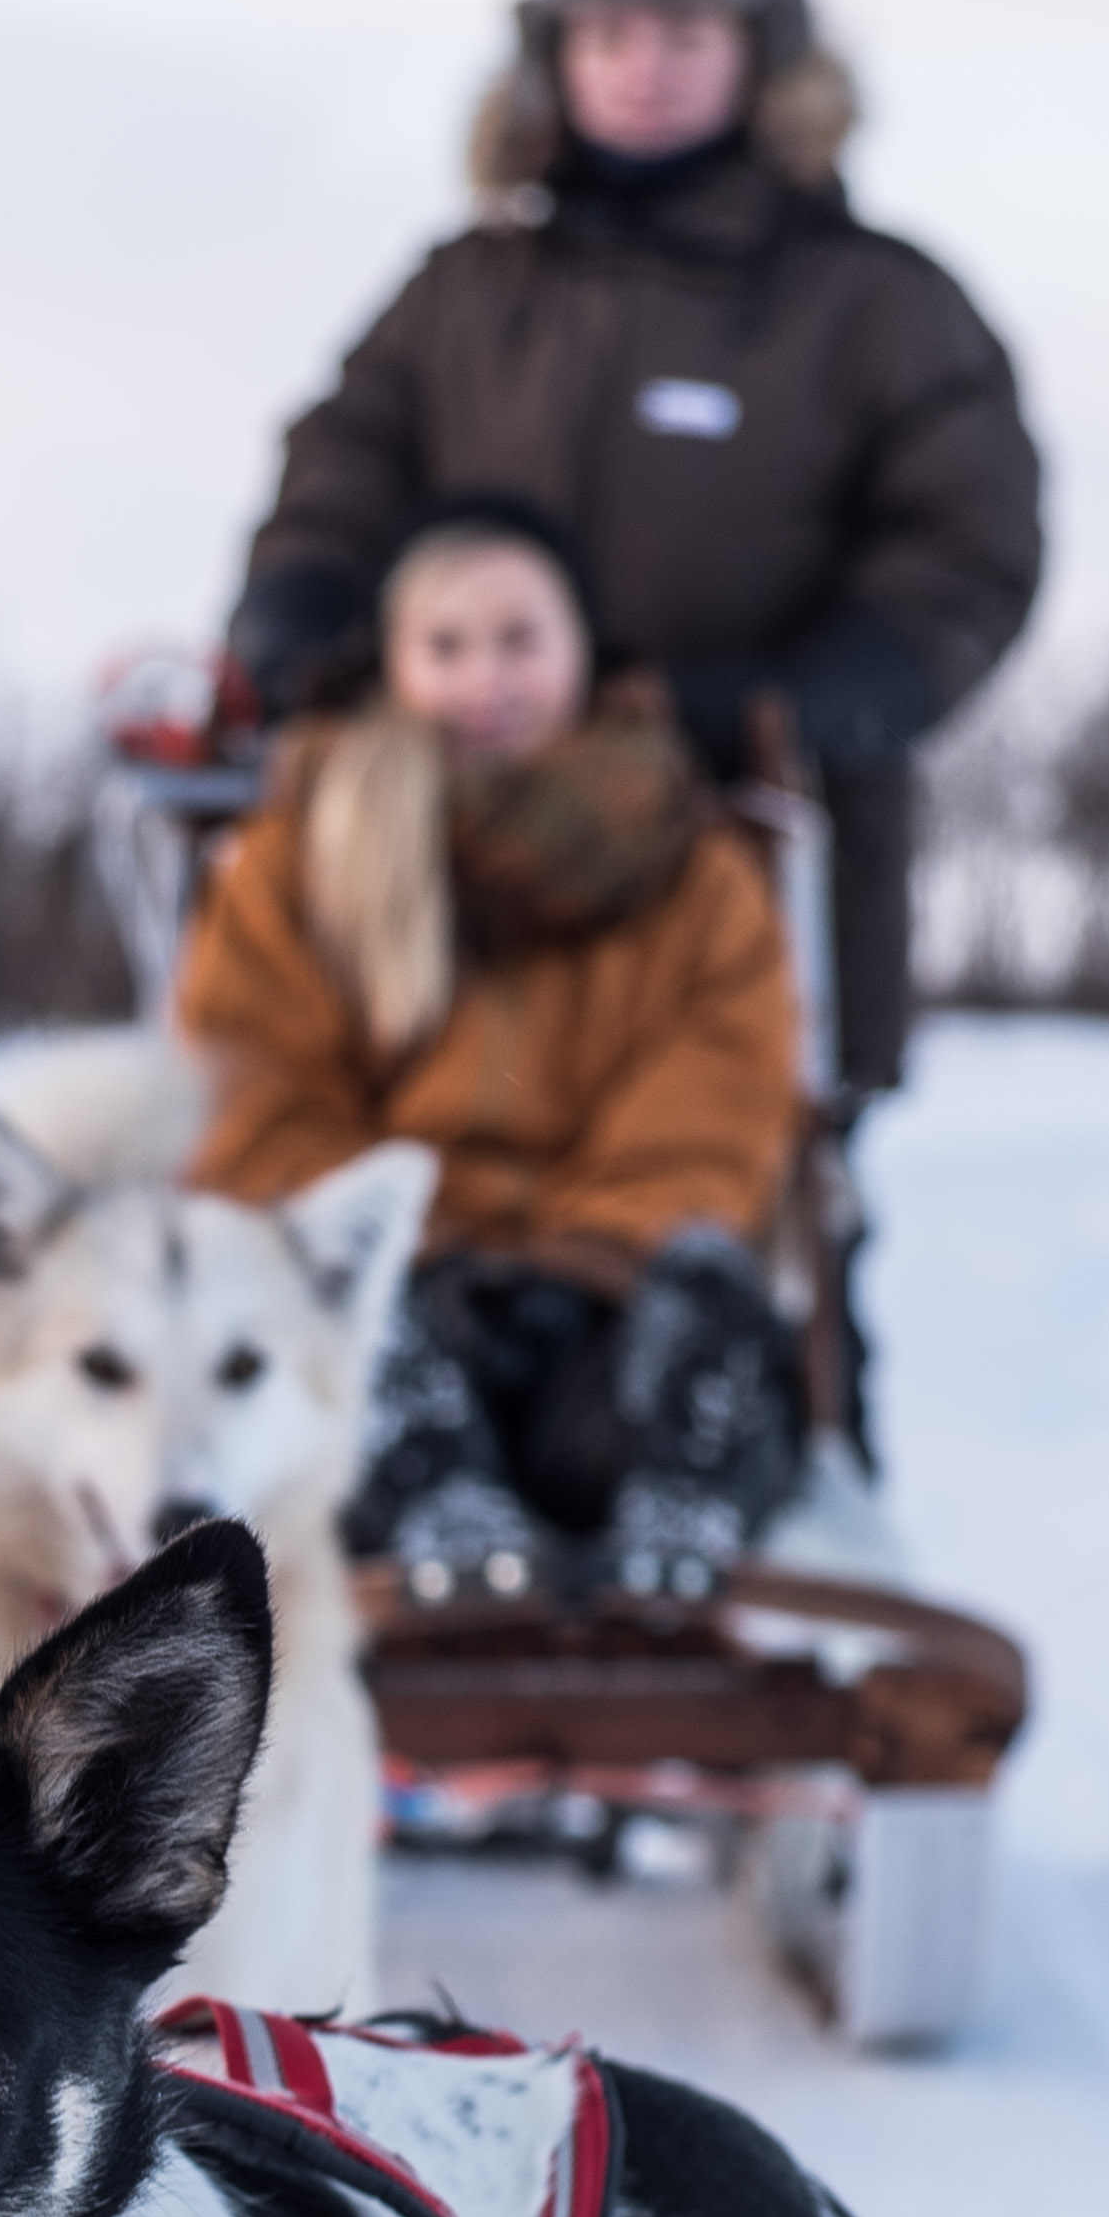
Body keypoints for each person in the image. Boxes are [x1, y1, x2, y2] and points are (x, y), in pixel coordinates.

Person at [224, 0, 1040, 1148]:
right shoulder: (465, 293)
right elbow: (342, 467)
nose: (641, 64)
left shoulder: (876, 305)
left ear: (752, 48)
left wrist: (800, 700)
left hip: (758, 870)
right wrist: (294, 618)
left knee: (728, 1244)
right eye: (605, 31)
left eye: (679, 30)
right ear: (555, 54)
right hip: (457, 882)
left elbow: (965, 552)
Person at [181, 495, 804, 1602]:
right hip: (400, 1297)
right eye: (447, 646)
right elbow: (253, 1085)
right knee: (346, 1354)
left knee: (712, 1315)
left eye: (521, 641)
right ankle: (433, 1497)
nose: (488, 680)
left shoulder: (698, 868)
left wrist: (601, 1255)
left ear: (582, 649)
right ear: (394, 661)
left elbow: (723, 1089)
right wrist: (399, 1251)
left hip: (612, 1301)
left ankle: (678, 1501)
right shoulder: (302, 855)